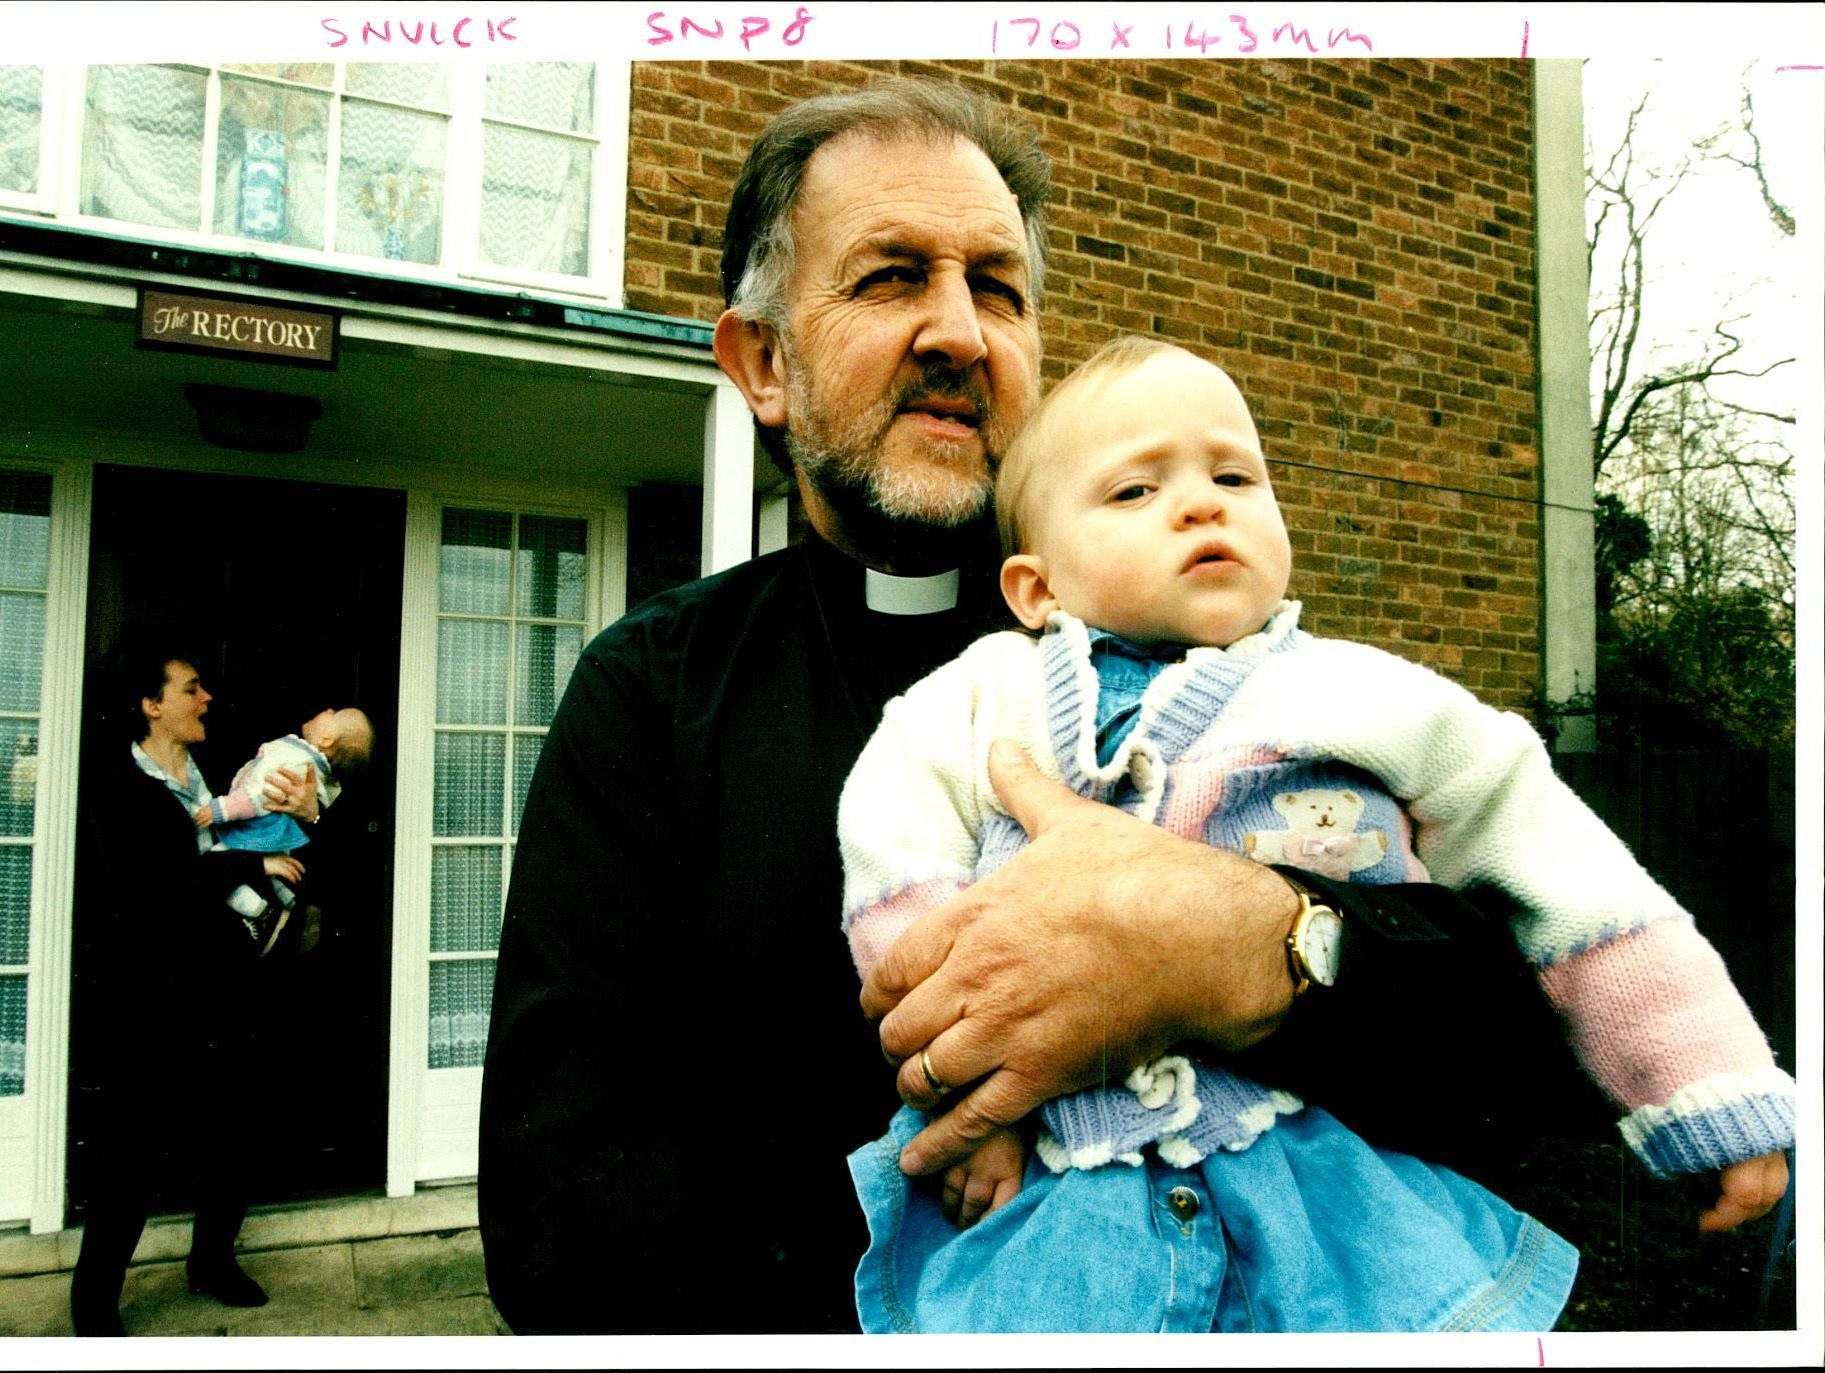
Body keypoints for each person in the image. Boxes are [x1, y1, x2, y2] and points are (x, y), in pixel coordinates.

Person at [478, 79, 1612, 1335]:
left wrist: (1264, 943)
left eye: (998, 289)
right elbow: (560, 1220)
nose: (960, 332)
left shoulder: (1225, 652)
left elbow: (1533, 1056)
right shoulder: (650, 693)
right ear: (762, 363)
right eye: (890, 277)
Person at [835, 336, 1795, 1332]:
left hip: (1338, 1215)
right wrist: (968, 1107)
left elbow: (1573, 881)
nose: (1201, 505)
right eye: (1133, 490)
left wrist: (1707, 1082)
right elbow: (895, 866)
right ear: (1034, 588)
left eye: (1233, 476)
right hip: (1065, 1220)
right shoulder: (980, 700)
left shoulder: (1367, 695)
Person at [69, 652, 322, 1337]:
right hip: (153, 999)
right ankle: (94, 1304)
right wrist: (251, 863)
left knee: (233, 1131)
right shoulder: (120, 787)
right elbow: (156, 888)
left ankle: (212, 1262)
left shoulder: (223, 773)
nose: (206, 697)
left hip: (226, 987)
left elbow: (286, 830)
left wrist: (307, 811)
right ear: (152, 706)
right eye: (191, 689)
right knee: (132, 1151)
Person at [194, 706, 375, 954]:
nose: (328, 709)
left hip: (254, 830)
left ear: (327, 740)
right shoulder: (314, 769)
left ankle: (264, 913)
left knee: (219, 861)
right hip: (273, 847)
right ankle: (287, 906)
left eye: (334, 714)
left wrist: (221, 809)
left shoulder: (294, 760)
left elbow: (260, 793)